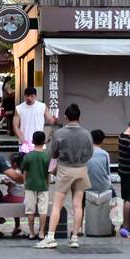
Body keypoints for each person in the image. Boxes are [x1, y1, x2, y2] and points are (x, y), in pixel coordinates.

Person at [38, 104, 92, 249]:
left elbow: (53, 153)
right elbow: (90, 153)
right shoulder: (86, 134)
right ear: (79, 117)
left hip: (65, 169)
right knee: (77, 204)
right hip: (81, 169)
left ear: (66, 117)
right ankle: (75, 237)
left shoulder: (59, 133)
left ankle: (50, 237)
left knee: (57, 204)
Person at [22, 130, 51, 240]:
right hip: (43, 185)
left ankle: (31, 232)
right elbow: (48, 173)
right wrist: (47, 185)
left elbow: (25, 171)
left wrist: (25, 183)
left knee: (30, 210)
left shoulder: (28, 156)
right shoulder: (46, 156)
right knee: (43, 210)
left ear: (33, 141)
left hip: (30, 185)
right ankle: (42, 232)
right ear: (44, 142)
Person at [14, 86, 50, 155]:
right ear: (24, 96)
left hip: (39, 143)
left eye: (32, 96)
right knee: (25, 163)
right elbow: (15, 126)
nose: (29, 98)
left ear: (35, 96)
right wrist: (21, 138)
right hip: (25, 142)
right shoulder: (19, 108)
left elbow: (50, 120)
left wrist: (46, 136)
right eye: (27, 96)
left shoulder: (42, 106)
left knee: (39, 164)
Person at [1, 154, 26, 237]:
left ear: (14, 163)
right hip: (24, 198)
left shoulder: (15, 173)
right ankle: (17, 226)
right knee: (16, 209)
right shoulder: (24, 172)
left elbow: (10, 184)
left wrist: (5, 182)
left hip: (15, 198)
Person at [87, 129, 112, 195]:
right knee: (114, 197)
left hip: (87, 186)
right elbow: (108, 173)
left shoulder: (84, 153)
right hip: (104, 187)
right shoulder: (105, 154)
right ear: (103, 140)